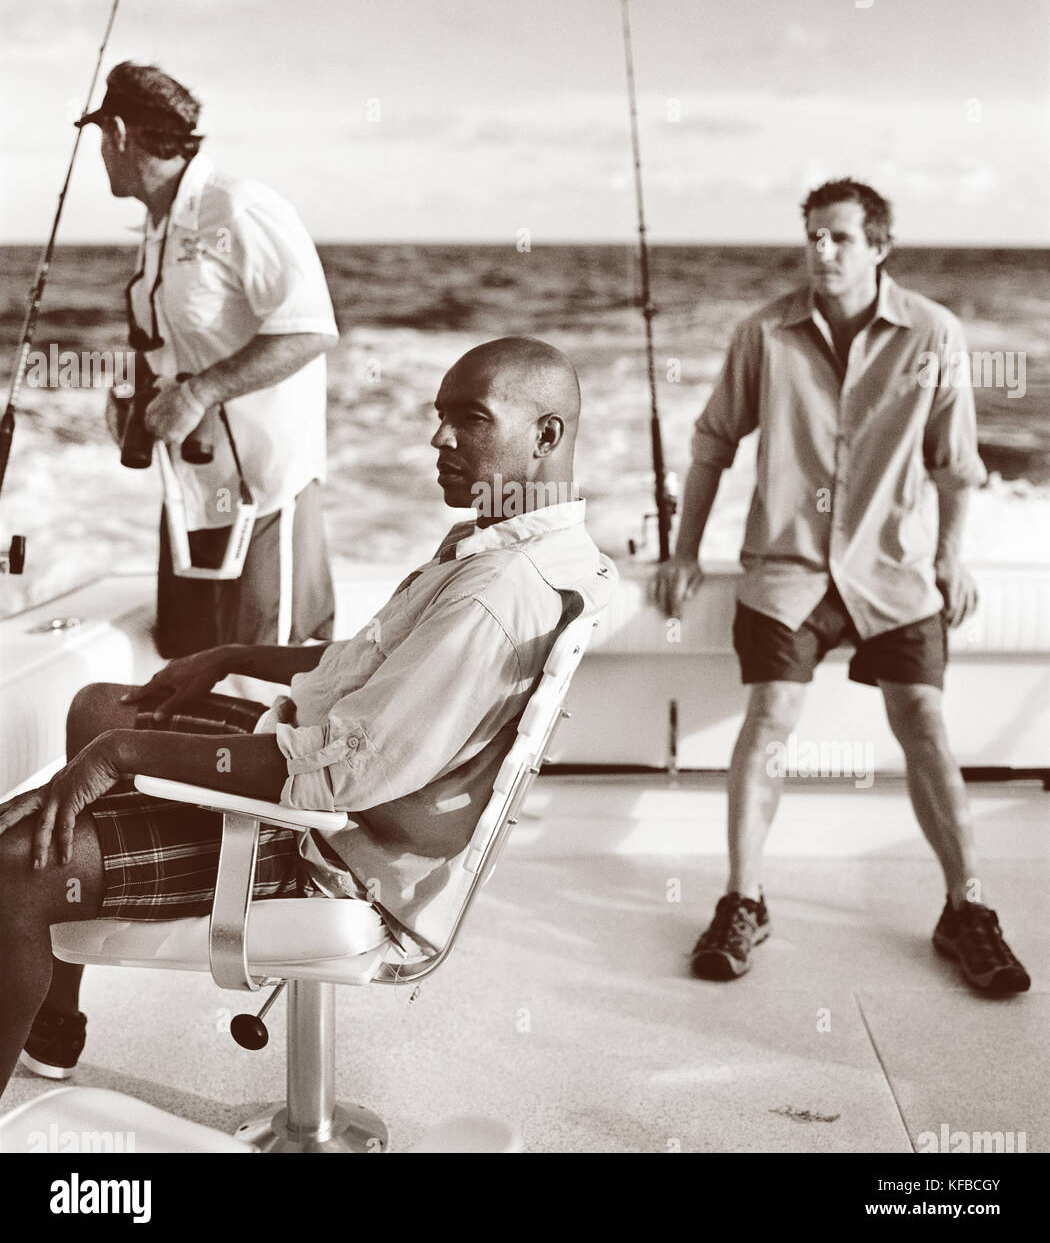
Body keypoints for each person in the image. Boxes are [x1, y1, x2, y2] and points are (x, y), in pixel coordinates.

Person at [0, 337, 616, 1095]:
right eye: (439, 416)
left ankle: (41, 942)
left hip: (326, 853)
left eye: (470, 420)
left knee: (17, 870)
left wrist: (121, 758)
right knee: (102, 706)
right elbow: (369, 663)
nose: (439, 438)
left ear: (545, 436)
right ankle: (56, 1011)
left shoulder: (498, 591)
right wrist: (227, 657)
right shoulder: (518, 547)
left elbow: (340, 774)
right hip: (334, 806)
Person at [653, 178, 1029, 995]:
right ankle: (743, 900)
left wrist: (951, 559)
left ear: (879, 247)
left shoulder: (935, 332)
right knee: (772, 716)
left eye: (840, 238)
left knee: (924, 721)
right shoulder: (764, 333)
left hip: (891, 572)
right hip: (787, 571)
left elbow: (957, 468)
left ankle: (967, 908)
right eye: (813, 236)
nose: (821, 251)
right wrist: (683, 554)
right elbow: (714, 443)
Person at [77, 61, 339, 657]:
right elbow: (169, 339)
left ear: (119, 132)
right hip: (190, 490)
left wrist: (196, 394)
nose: (101, 154)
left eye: (100, 139)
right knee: (188, 667)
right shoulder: (157, 225)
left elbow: (310, 330)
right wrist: (131, 396)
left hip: (266, 489)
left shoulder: (240, 207)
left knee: (270, 671)